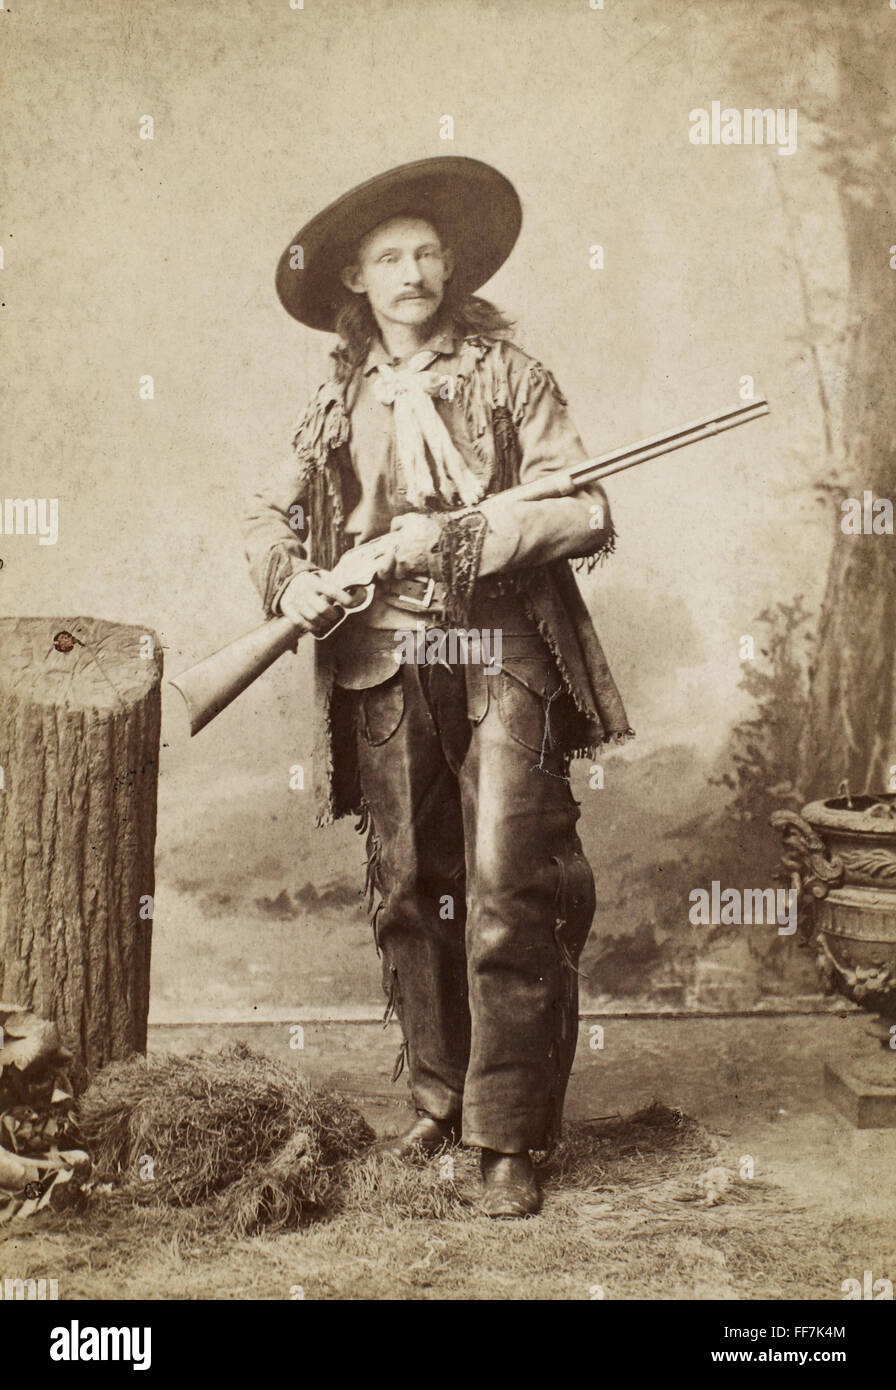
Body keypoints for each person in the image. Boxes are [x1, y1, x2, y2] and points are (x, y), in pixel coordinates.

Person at [243, 156, 632, 1217]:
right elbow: (260, 520)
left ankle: (508, 1136)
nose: (409, 273)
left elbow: (586, 508)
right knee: (412, 888)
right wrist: (300, 578)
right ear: (356, 284)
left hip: (503, 650)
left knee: (509, 885)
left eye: (424, 252)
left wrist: (473, 533)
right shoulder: (333, 401)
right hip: (383, 658)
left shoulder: (512, 377)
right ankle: (435, 1101)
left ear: (449, 264)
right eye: (386, 258)